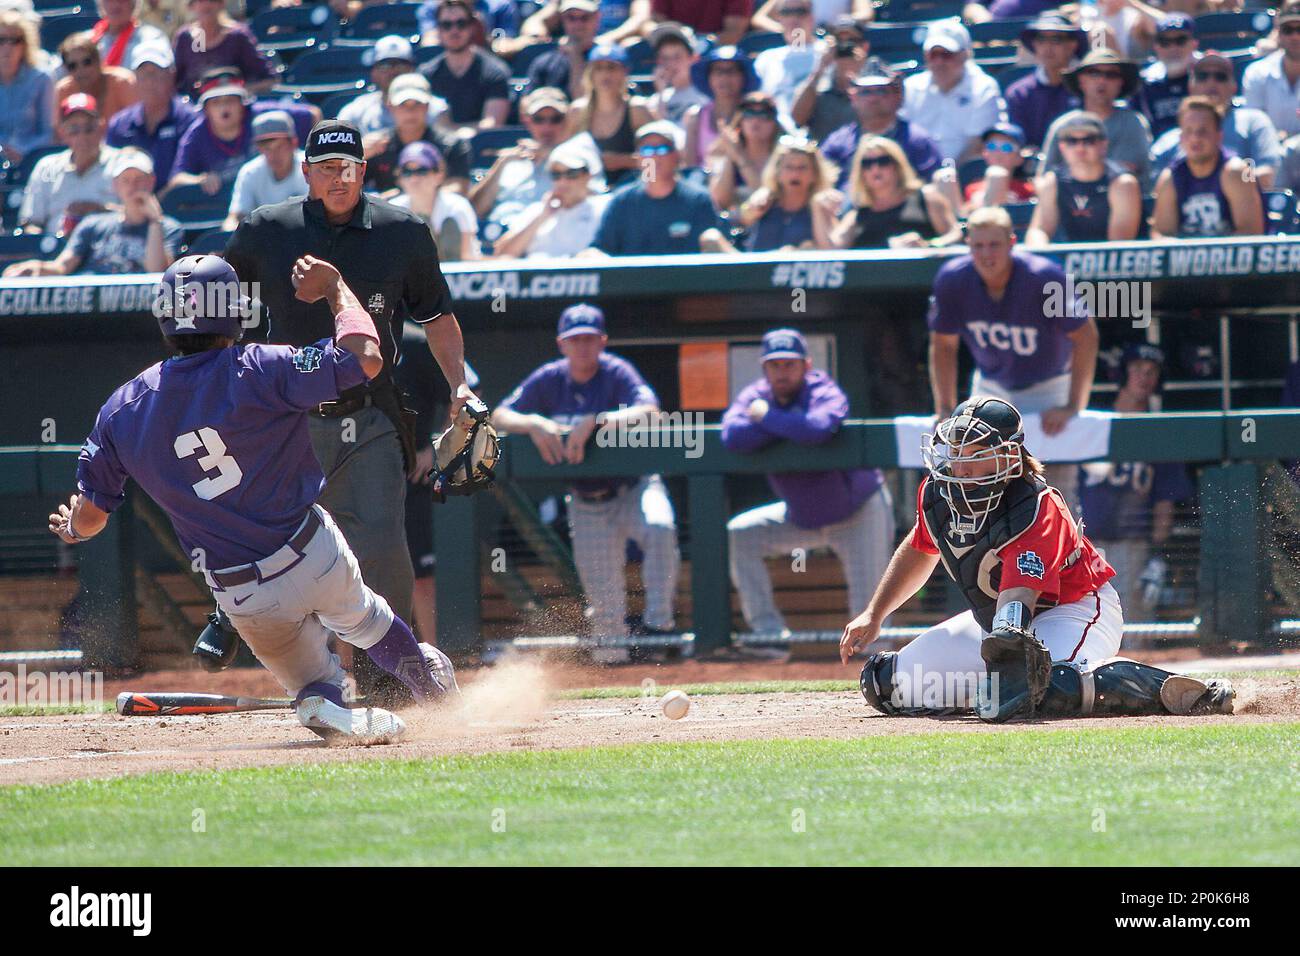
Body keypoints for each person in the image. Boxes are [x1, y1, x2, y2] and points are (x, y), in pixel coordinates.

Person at [51, 253, 460, 744]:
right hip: (311, 551)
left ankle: (319, 702)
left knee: (314, 682)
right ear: (234, 313)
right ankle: (431, 688)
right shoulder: (261, 366)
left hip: (239, 592)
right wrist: (337, 290)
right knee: (367, 619)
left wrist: (73, 526)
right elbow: (365, 358)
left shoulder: (122, 408)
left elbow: (93, 517)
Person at [223, 120, 478, 705]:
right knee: (285, 551)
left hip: (370, 414)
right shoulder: (266, 229)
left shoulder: (403, 231)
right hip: (289, 420)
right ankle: (319, 681)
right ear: (305, 172)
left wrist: (459, 385)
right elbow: (221, 304)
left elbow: (436, 317)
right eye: (327, 168)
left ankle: (389, 680)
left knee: (384, 544)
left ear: (364, 171)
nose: (339, 178)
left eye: (350, 167)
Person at [838, 396, 1234, 720]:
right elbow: (921, 547)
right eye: (955, 450)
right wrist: (875, 613)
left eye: (974, 453)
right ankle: (994, 691)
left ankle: (1176, 690)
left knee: (1046, 688)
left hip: (1074, 610)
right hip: (996, 624)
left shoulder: (1036, 507)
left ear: (1008, 456)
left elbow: (1017, 605)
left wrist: (1009, 664)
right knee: (885, 684)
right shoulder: (939, 493)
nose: (959, 464)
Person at [491, 303, 681, 663]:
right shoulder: (550, 378)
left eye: (589, 339)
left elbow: (650, 410)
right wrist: (533, 422)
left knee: (660, 527)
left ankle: (660, 630)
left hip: (634, 486)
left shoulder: (616, 372)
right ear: (562, 344)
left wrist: (598, 420)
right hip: (585, 499)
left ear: (602, 341)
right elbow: (500, 415)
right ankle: (615, 658)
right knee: (606, 616)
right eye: (574, 340)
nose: (582, 347)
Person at [721, 328, 894, 638]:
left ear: (806, 366)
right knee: (740, 534)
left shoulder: (822, 389)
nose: (782, 372)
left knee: (869, 615)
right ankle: (768, 635)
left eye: (790, 364)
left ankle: (877, 673)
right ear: (764, 369)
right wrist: (787, 424)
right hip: (800, 517)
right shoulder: (755, 395)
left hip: (859, 514)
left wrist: (766, 419)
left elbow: (819, 428)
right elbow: (732, 435)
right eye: (775, 365)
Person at [927, 206, 1100, 514]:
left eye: (994, 244)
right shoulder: (954, 279)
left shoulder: (1043, 276)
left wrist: (1074, 404)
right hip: (991, 385)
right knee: (979, 469)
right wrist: (944, 407)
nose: (986, 254)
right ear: (968, 246)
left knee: (1052, 483)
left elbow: (1085, 335)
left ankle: (1061, 554)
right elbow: (943, 345)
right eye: (978, 245)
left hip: (1048, 385)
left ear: (1011, 242)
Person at [1079, 345, 1194, 621]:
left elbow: (1164, 503)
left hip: (1134, 546)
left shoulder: (1159, 433)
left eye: (1152, 372)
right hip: (1086, 543)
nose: (1145, 377)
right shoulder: (1093, 425)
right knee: (1084, 622)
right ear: (1122, 375)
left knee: (1136, 629)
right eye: (1137, 370)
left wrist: (1157, 555)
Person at [4, 148, 180, 276]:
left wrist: (155, 222)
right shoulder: (93, 224)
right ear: (115, 185)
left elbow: (157, 273)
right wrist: (36, 267)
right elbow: (63, 266)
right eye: (126, 180)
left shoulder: (168, 228)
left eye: (139, 179)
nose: (133, 186)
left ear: (151, 182)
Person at [589, 120, 721, 255]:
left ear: (677, 155)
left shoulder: (698, 200)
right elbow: (601, 249)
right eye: (647, 150)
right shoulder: (621, 202)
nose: (654, 157)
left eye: (662, 149)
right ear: (638, 158)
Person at [1150, 51, 1281, 187]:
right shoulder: (1168, 141)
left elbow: (1267, 174)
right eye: (1202, 76)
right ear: (1190, 86)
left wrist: (1218, 187)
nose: (1211, 82)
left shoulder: (1254, 122)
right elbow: (1156, 189)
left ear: (1234, 87)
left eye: (1220, 77)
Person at [169, 75, 315, 193]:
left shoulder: (264, 117)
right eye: (216, 102)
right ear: (205, 110)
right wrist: (199, 180)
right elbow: (177, 179)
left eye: (230, 101)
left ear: (242, 104)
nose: (224, 108)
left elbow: (312, 114)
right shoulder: (197, 134)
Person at [700, 134, 839, 252]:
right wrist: (751, 208)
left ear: (815, 174)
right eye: (789, 167)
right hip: (752, 274)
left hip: (795, 277)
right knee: (711, 238)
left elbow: (830, 252)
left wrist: (818, 207)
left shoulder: (820, 207)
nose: (795, 173)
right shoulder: (765, 199)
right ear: (777, 172)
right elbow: (735, 222)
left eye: (802, 168)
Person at [1150, 96, 1265, 239]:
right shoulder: (1169, 178)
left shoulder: (1237, 172)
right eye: (1188, 131)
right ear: (1180, 137)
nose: (1195, 138)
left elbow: (1250, 234)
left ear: (1219, 136)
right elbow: (1162, 233)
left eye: (1203, 131)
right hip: (1185, 260)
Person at [820, 58, 943, 190]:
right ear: (853, 97)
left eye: (881, 91)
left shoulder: (918, 141)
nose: (873, 98)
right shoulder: (837, 143)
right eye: (865, 92)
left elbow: (934, 188)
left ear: (898, 95)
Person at [1042, 48, 1152, 190]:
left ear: (1121, 83)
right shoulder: (1063, 125)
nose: (1102, 80)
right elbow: (1046, 178)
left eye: (1111, 75)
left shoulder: (1133, 123)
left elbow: (1132, 171)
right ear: (1081, 81)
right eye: (1094, 73)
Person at [1025, 113, 1142, 244]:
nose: (1080, 148)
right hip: (1068, 258)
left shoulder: (1122, 183)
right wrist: (1040, 254)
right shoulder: (1052, 181)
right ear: (1062, 147)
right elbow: (1039, 230)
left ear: (1103, 145)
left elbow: (1118, 246)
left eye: (1089, 140)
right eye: (1072, 141)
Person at [830, 135, 961, 249]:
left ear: (898, 166)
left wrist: (928, 245)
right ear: (861, 173)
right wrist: (819, 209)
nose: (875, 169)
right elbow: (833, 248)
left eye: (883, 161)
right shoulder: (857, 214)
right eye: (867, 163)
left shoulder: (926, 199)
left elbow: (955, 235)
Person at [901, 20, 1004, 165]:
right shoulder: (911, 87)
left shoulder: (984, 88)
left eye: (947, 55)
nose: (939, 62)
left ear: (965, 55)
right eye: (933, 55)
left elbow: (977, 145)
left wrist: (948, 176)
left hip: (966, 176)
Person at [469, 87, 572, 228]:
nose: (547, 126)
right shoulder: (510, 161)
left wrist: (550, 154)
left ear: (567, 121)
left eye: (555, 119)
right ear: (527, 120)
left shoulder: (575, 161)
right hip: (498, 235)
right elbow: (475, 211)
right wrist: (501, 164)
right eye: (539, 119)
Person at [20, 95, 119, 236]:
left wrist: (101, 209)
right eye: (74, 129)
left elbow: (138, 215)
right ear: (62, 132)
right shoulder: (46, 167)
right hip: (55, 249)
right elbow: (31, 223)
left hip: (107, 248)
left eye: (89, 128)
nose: (82, 136)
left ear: (101, 127)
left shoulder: (123, 163)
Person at [493, 139, 610, 258]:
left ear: (588, 175)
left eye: (572, 174)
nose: (563, 182)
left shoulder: (606, 208)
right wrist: (543, 215)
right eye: (556, 175)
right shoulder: (537, 209)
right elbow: (502, 254)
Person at [106, 42, 199, 186]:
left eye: (156, 73)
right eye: (143, 74)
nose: (150, 82)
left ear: (171, 75)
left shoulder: (191, 120)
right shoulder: (119, 124)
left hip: (178, 205)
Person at [565, 44, 653, 188]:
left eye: (611, 68)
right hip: (588, 196)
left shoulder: (637, 110)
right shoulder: (577, 112)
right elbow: (564, 158)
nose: (605, 74)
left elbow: (655, 164)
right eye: (599, 68)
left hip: (631, 192)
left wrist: (622, 161)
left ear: (624, 72)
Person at [419, 0, 511, 134]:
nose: (454, 30)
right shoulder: (427, 75)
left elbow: (493, 125)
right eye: (446, 25)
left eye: (461, 23)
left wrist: (450, 131)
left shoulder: (495, 72)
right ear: (438, 30)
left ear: (472, 27)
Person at [364, 78, 471, 194]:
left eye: (417, 104)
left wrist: (403, 201)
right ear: (390, 107)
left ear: (427, 106)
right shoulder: (374, 147)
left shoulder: (452, 145)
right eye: (403, 104)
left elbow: (458, 189)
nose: (410, 111)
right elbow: (348, 191)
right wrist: (359, 156)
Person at [1003, 14, 1086, 152]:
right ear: (1034, 45)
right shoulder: (1019, 93)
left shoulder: (1086, 87)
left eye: (1056, 40)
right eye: (1041, 40)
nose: (1047, 47)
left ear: (1072, 45)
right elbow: (1017, 141)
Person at [390, 141, 481, 260]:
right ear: (399, 178)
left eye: (421, 171)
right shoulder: (393, 209)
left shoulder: (457, 206)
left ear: (439, 175)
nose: (414, 179)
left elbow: (467, 256)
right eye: (407, 172)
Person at [789, 15, 868, 145]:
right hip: (824, 158)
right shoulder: (819, 83)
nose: (845, 46)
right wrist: (820, 69)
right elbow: (797, 118)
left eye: (851, 40)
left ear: (864, 46)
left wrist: (861, 74)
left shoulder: (876, 82)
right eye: (839, 41)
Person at [223, 111, 307, 231]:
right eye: (266, 148)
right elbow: (236, 217)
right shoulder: (250, 172)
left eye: (279, 146)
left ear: (293, 143)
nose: (273, 155)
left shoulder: (311, 168)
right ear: (259, 149)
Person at [172, 0, 276, 97]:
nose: (206, 5)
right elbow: (173, 82)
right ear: (191, 6)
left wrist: (238, 93)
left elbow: (268, 79)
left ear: (222, 4)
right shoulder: (184, 38)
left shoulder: (237, 37)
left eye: (212, 0)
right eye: (200, 0)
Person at [933, 122, 1035, 217]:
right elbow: (964, 213)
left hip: (1006, 231)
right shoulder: (973, 187)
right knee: (945, 176)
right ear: (984, 153)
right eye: (991, 146)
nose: (997, 152)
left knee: (996, 175)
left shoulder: (1026, 188)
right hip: (973, 227)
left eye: (1006, 147)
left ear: (1019, 158)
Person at [682, 45, 757, 168]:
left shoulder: (757, 113)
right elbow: (689, 167)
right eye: (718, 72)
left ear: (743, 77)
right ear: (709, 78)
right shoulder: (695, 116)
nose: (725, 78)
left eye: (731, 71)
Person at [708, 90, 783, 213]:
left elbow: (767, 200)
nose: (755, 121)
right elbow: (720, 202)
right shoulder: (725, 152)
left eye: (764, 115)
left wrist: (740, 157)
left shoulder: (783, 157)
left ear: (775, 123)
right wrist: (731, 155)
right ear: (740, 121)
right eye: (749, 114)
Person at [338, 35, 423, 136]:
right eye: (385, 65)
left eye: (400, 65)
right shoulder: (356, 110)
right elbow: (337, 146)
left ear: (412, 70)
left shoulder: (430, 107)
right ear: (373, 72)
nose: (393, 71)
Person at [54, 32, 139, 133]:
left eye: (87, 62)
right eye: (73, 66)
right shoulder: (63, 91)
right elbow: (59, 133)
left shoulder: (122, 82)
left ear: (98, 60)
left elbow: (138, 125)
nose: (81, 70)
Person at [0, 9, 53, 165]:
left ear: (25, 44)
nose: (7, 47)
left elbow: (49, 133)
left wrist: (22, 149)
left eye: (15, 40)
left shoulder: (41, 78)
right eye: (1, 40)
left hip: (30, 162)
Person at [1242, 0, 1300, 142]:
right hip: (1270, 150)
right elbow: (1253, 127)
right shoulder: (1257, 72)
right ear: (1278, 34)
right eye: (1288, 30)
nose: (1295, 36)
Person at [1135, 13, 1200, 139]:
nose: (1173, 48)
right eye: (1165, 42)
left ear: (1194, 44)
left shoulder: (1209, 75)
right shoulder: (1145, 83)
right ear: (1156, 47)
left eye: (1180, 41)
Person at [751, 0, 817, 117]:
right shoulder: (766, 58)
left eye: (800, 12)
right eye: (786, 12)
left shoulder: (828, 51)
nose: (793, 18)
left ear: (812, 17)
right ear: (778, 18)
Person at [525, 0, 601, 100]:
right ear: (562, 18)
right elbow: (526, 105)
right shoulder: (544, 62)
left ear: (597, 17)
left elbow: (583, 101)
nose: (578, 24)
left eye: (584, 18)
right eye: (571, 18)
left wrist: (575, 56)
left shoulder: (607, 62)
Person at [644, 21, 709, 126]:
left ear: (694, 59)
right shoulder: (654, 101)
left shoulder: (707, 96)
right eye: (665, 58)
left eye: (677, 57)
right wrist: (660, 93)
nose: (670, 64)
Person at [92, 0, 167, 70]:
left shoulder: (151, 38)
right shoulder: (91, 39)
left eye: (122, 0)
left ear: (134, 4)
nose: (115, 5)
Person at [647, 0, 752, 47]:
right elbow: (657, 20)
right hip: (676, 51)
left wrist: (702, 45)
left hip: (716, 53)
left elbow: (734, 32)